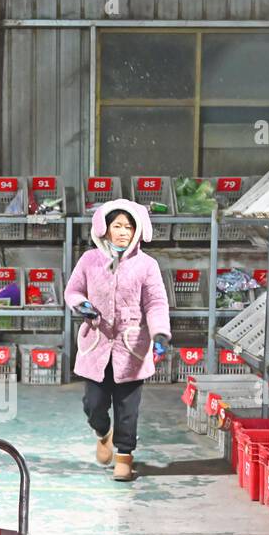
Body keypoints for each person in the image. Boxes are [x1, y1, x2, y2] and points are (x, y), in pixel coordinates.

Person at [64, 199, 171, 481]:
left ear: (137, 231)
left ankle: (125, 455)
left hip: (132, 347)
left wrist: (159, 333)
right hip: (96, 345)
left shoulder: (147, 265)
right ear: (105, 228)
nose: (123, 232)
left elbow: (157, 302)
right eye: (117, 225)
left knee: (128, 409)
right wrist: (82, 305)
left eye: (129, 226)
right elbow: (73, 291)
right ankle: (102, 433)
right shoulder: (89, 259)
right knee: (94, 404)